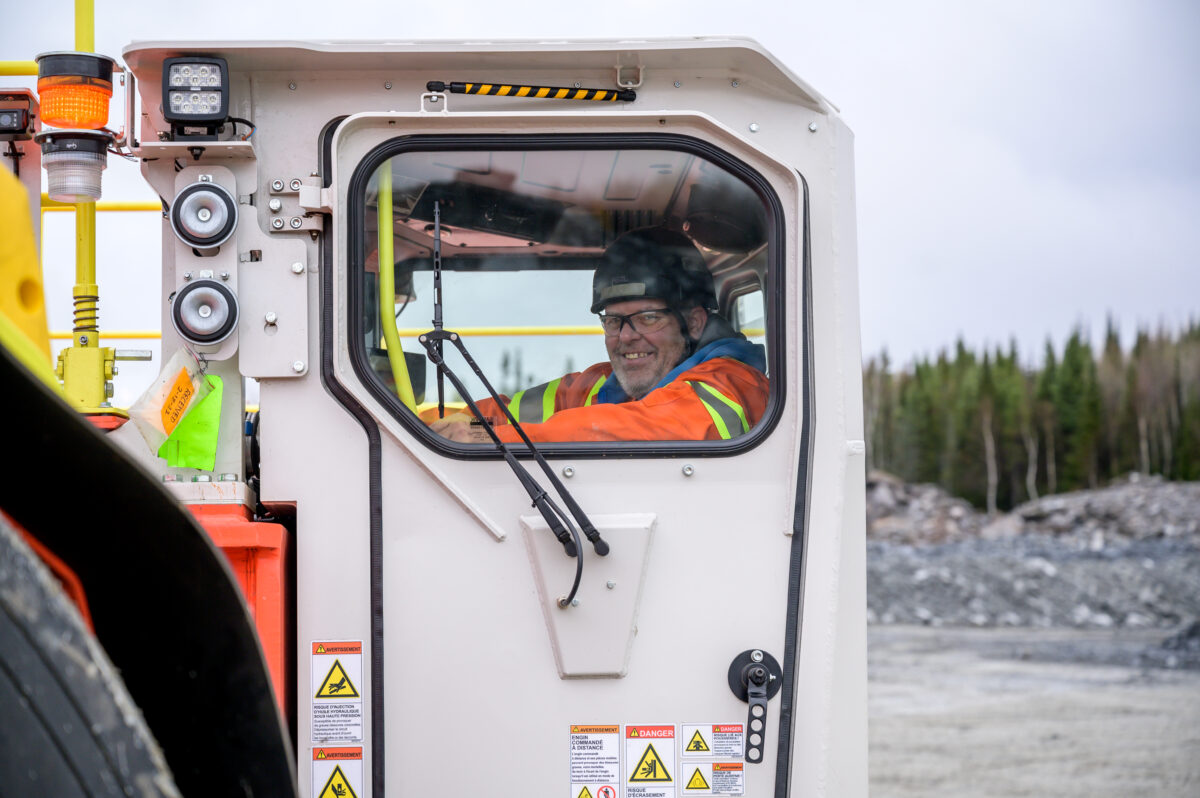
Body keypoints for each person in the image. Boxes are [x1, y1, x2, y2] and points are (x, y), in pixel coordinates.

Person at [430, 227, 768, 443]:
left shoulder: (735, 384)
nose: (626, 336)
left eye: (648, 318)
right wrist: (465, 427)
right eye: (613, 321)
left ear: (693, 323)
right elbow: (505, 414)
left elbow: (651, 428)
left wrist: (495, 439)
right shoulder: (601, 387)